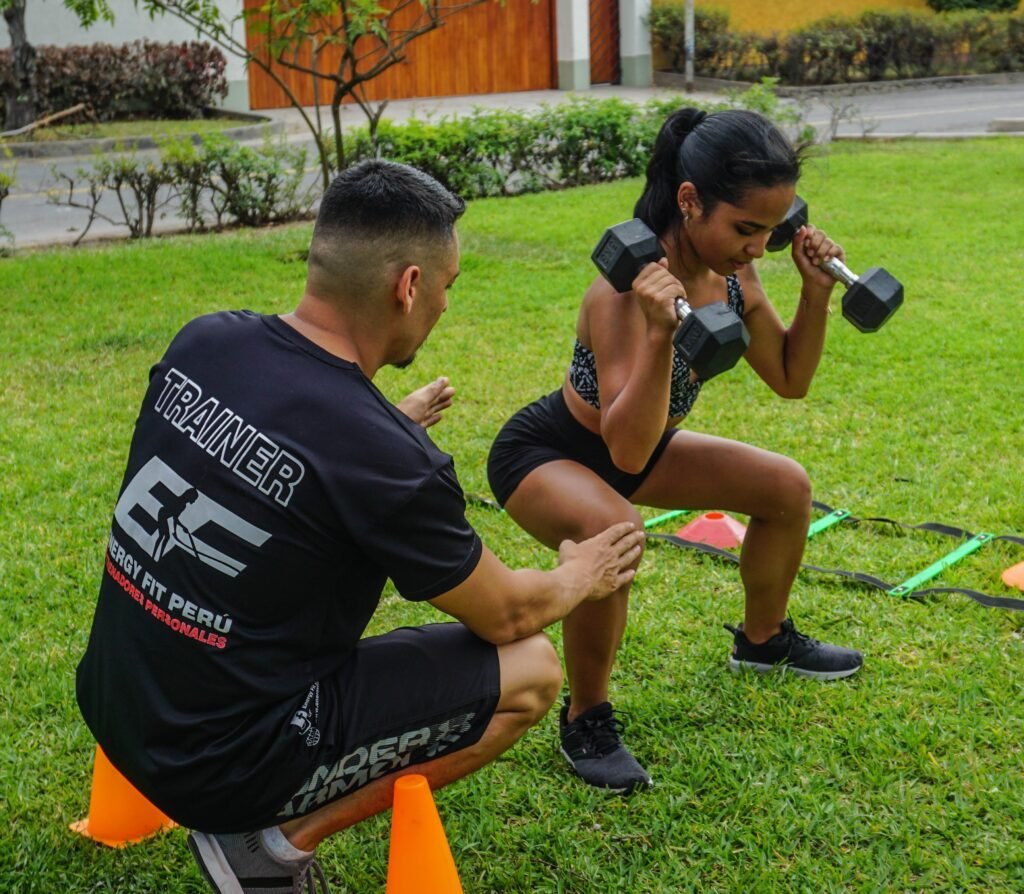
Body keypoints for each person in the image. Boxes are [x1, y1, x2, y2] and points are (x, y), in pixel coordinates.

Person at [75, 159, 645, 894]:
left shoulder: (205, 342)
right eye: (447, 287)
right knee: (532, 672)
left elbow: (263, 455)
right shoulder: (389, 462)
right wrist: (581, 573)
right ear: (409, 286)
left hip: (114, 707)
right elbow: (508, 611)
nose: (443, 305)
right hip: (214, 767)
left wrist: (383, 429)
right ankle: (265, 851)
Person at [487, 108, 864, 795]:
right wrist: (661, 336)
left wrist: (815, 294)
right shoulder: (625, 289)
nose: (757, 249)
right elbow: (624, 452)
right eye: (744, 229)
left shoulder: (733, 273)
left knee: (786, 487)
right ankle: (585, 716)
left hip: (643, 443)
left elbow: (789, 377)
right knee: (615, 531)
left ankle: (762, 639)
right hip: (551, 452)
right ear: (689, 202)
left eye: (768, 232)